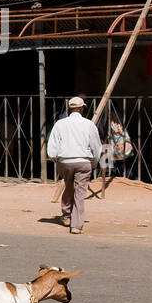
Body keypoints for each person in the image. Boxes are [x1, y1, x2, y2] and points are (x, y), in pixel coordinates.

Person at [47, 96, 102, 235]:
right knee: (80, 193)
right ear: (82, 108)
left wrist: (56, 160)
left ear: (69, 109)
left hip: (65, 162)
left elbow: (52, 146)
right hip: (83, 162)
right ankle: (76, 225)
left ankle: (66, 215)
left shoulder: (60, 124)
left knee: (68, 186)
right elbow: (96, 146)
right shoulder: (89, 124)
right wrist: (94, 162)